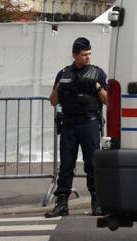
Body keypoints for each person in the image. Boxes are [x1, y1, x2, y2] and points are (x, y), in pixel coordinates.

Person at [45, 37, 108, 218]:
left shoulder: (97, 73)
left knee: (92, 164)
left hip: (89, 123)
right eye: (83, 55)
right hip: (69, 125)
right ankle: (62, 204)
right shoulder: (64, 73)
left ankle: (97, 202)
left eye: (89, 54)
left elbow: (108, 100)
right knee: (66, 165)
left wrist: (96, 87)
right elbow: (53, 101)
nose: (87, 57)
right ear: (74, 55)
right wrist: (60, 87)